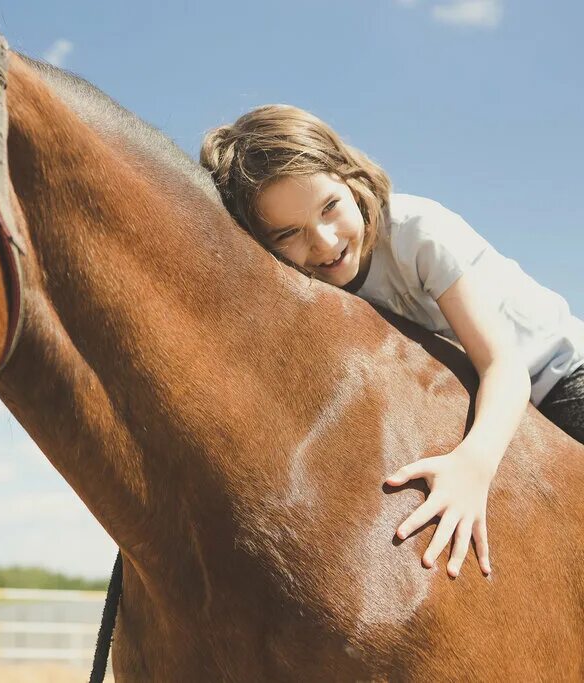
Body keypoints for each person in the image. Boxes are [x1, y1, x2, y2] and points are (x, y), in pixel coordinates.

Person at [200, 103, 584, 578]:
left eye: (329, 207)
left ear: (349, 176)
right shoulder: (309, 289)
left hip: (555, 377)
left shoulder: (417, 234)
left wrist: (473, 466)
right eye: (289, 233)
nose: (323, 241)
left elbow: (503, 367)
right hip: (479, 396)